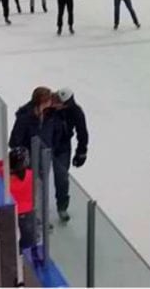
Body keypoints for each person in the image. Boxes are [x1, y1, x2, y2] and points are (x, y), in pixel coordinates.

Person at [8, 87, 70, 221]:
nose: (52, 102)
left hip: (44, 158)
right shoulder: (25, 118)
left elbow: (56, 132)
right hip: (29, 161)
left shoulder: (51, 115)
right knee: (31, 190)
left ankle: (41, 218)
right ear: (42, 102)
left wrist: (51, 147)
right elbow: (14, 141)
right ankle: (33, 217)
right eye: (49, 100)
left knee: (42, 189)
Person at [52, 87, 90, 220]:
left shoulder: (76, 113)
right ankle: (38, 210)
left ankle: (62, 206)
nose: (54, 102)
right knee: (38, 179)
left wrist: (81, 152)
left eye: (58, 101)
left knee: (62, 178)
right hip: (43, 145)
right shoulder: (47, 107)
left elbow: (82, 133)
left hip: (62, 148)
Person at [0, 148, 36, 249]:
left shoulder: (1, 176)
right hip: (26, 211)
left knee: (7, 240)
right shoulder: (30, 176)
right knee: (27, 241)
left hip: (8, 210)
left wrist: (5, 162)